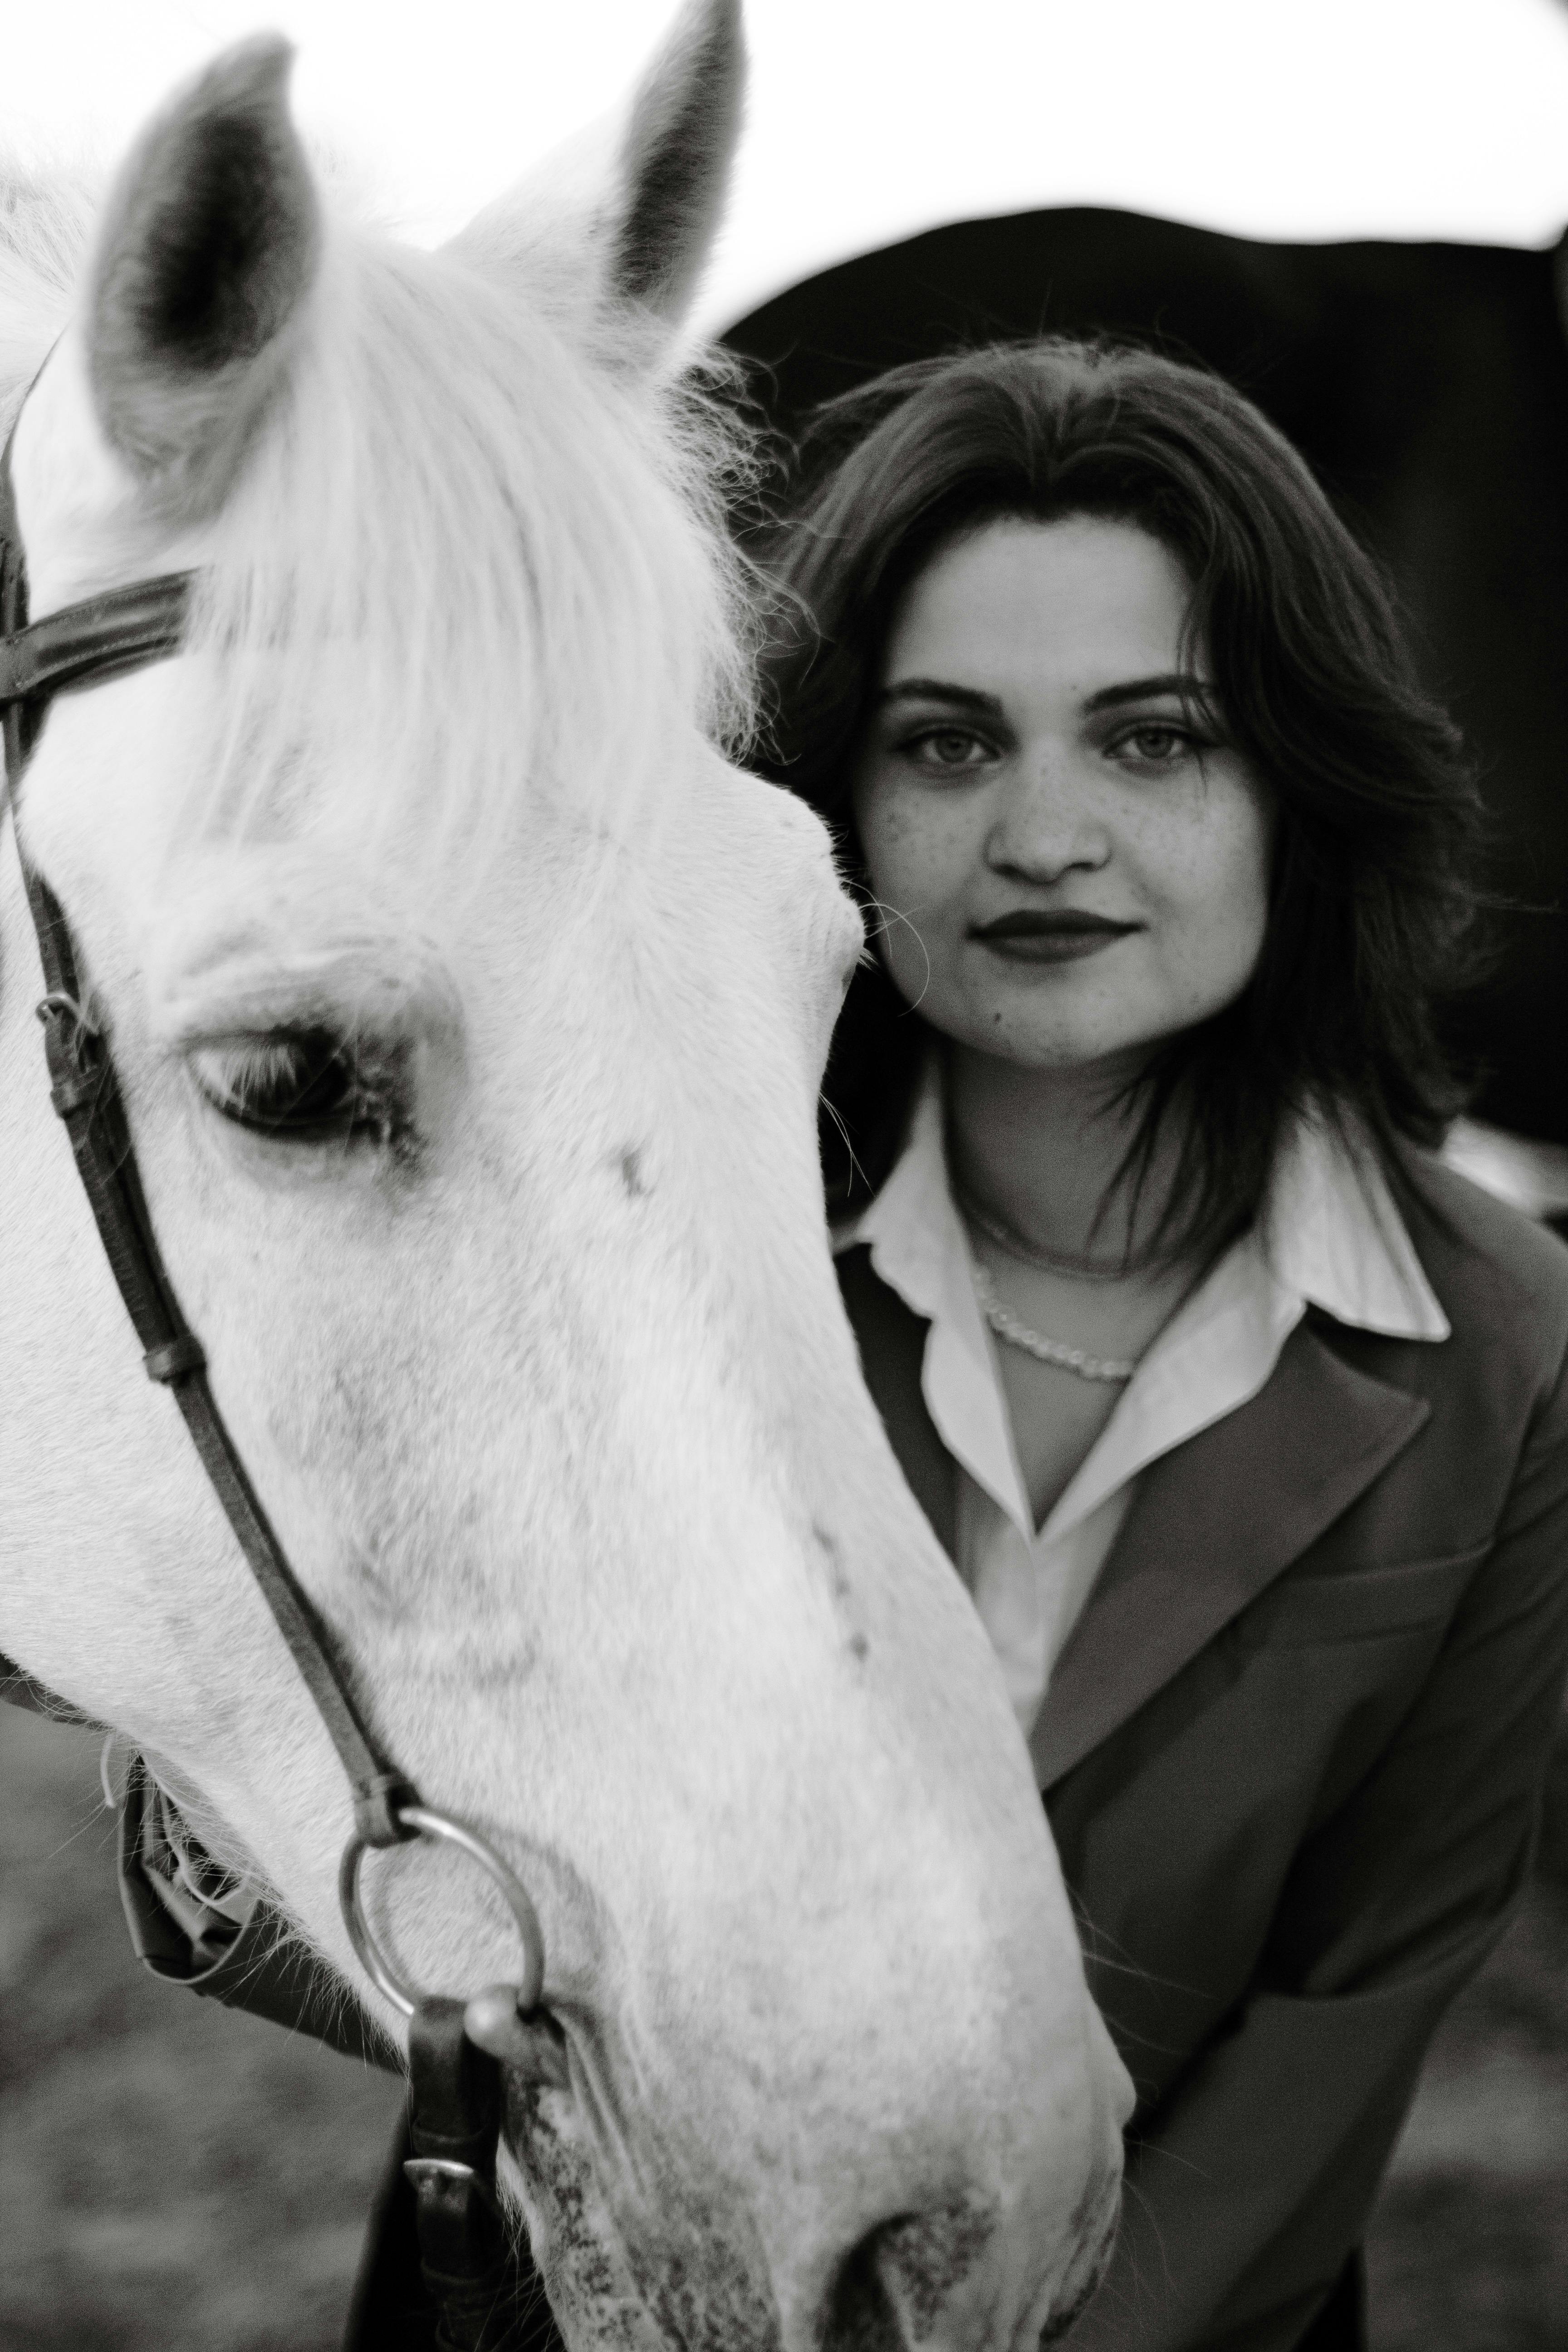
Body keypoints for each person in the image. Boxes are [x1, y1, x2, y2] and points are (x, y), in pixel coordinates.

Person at [753, 338, 1568, 2352]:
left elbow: (1349, 2015)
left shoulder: (1508, 1349)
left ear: (1301, 784)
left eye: (1155, 740)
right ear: (834, 798)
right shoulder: (689, 1262)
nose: (1044, 836)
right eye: (946, 745)